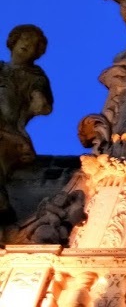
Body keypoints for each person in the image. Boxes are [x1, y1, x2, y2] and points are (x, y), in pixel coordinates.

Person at [0, 25, 52, 223]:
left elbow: (43, 107)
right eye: (25, 40)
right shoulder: (1, 68)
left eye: (33, 45)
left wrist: (38, 98)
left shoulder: (35, 77)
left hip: (8, 130)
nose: (27, 45)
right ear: (13, 41)